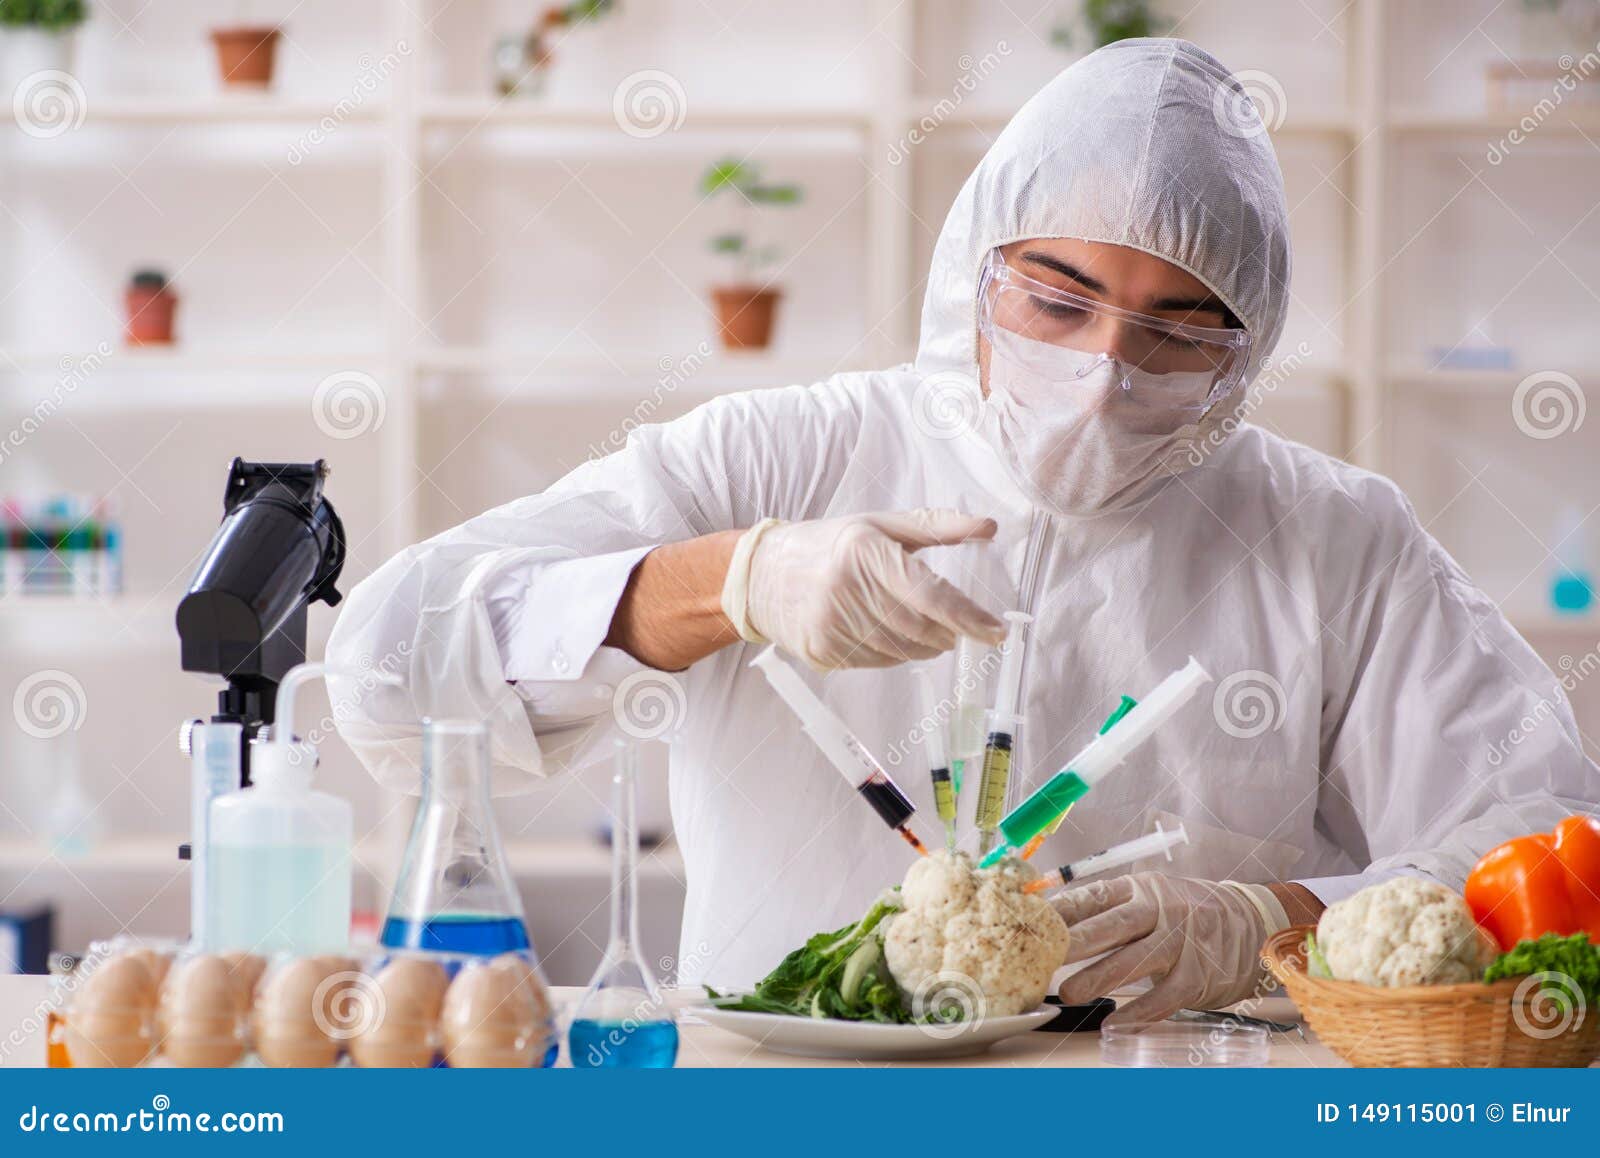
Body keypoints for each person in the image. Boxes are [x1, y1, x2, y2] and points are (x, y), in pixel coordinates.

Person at [328, 39, 1599, 1023]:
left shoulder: (1333, 537)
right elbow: (387, 669)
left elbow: (1549, 842)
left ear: (1244, 352)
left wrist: (1265, 922)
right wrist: (733, 580)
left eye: (1173, 333)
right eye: (1058, 298)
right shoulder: (779, 456)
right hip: (781, 1100)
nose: (1103, 374)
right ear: (975, 273)